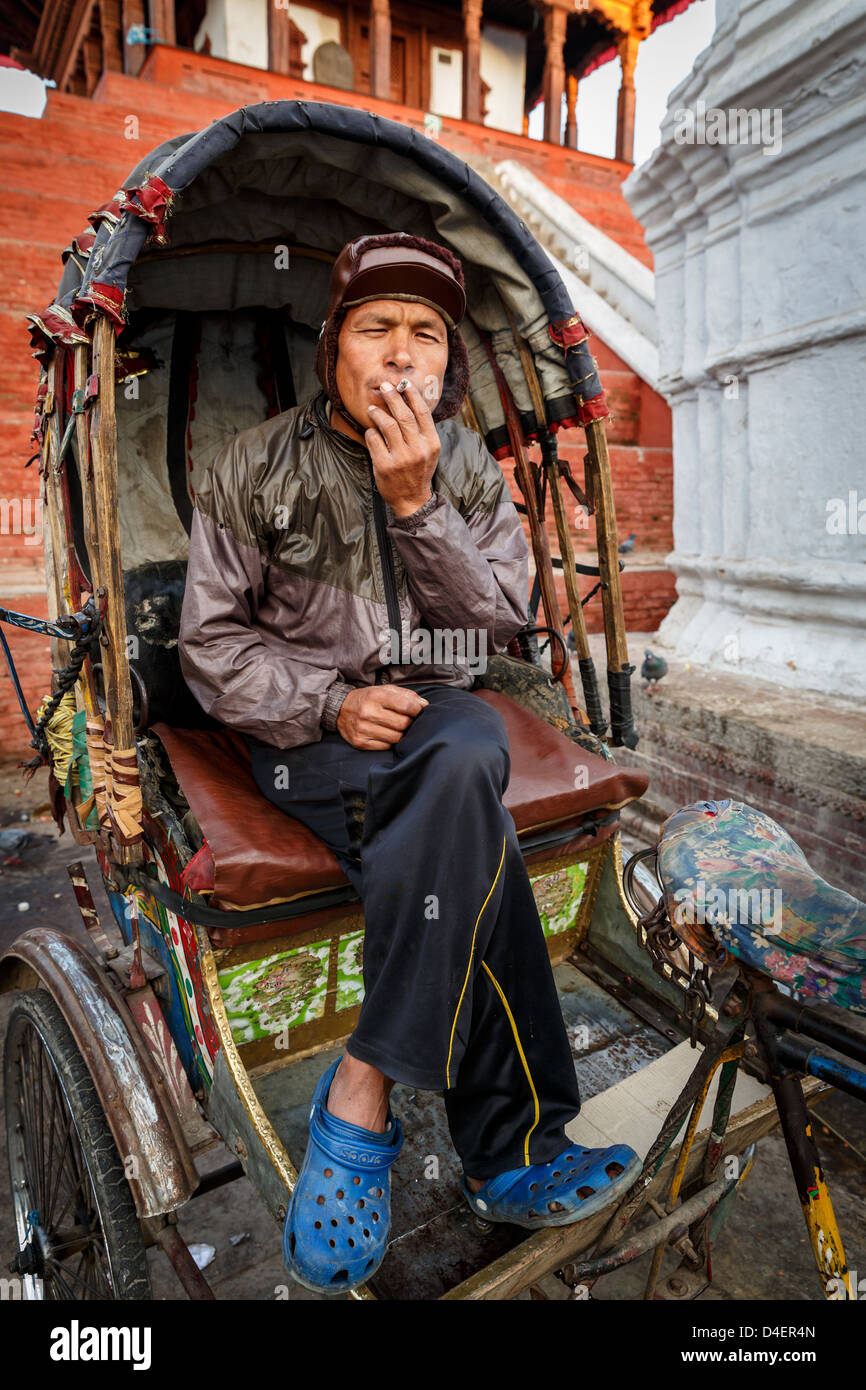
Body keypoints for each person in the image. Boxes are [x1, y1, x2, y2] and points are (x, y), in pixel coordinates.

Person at [178, 232, 640, 1296]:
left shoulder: (464, 465)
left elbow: (489, 633)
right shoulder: (252, 465)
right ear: (332, 346)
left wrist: (416, 505)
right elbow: (209, 648)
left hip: (436, 727)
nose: (400, 353)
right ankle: (513, 1147)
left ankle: (365, 1075)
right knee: (466, 792)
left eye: (424, 334)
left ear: (447, 364)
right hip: (301, 745)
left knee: (463, 746)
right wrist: (331, 701)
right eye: (375, 327)